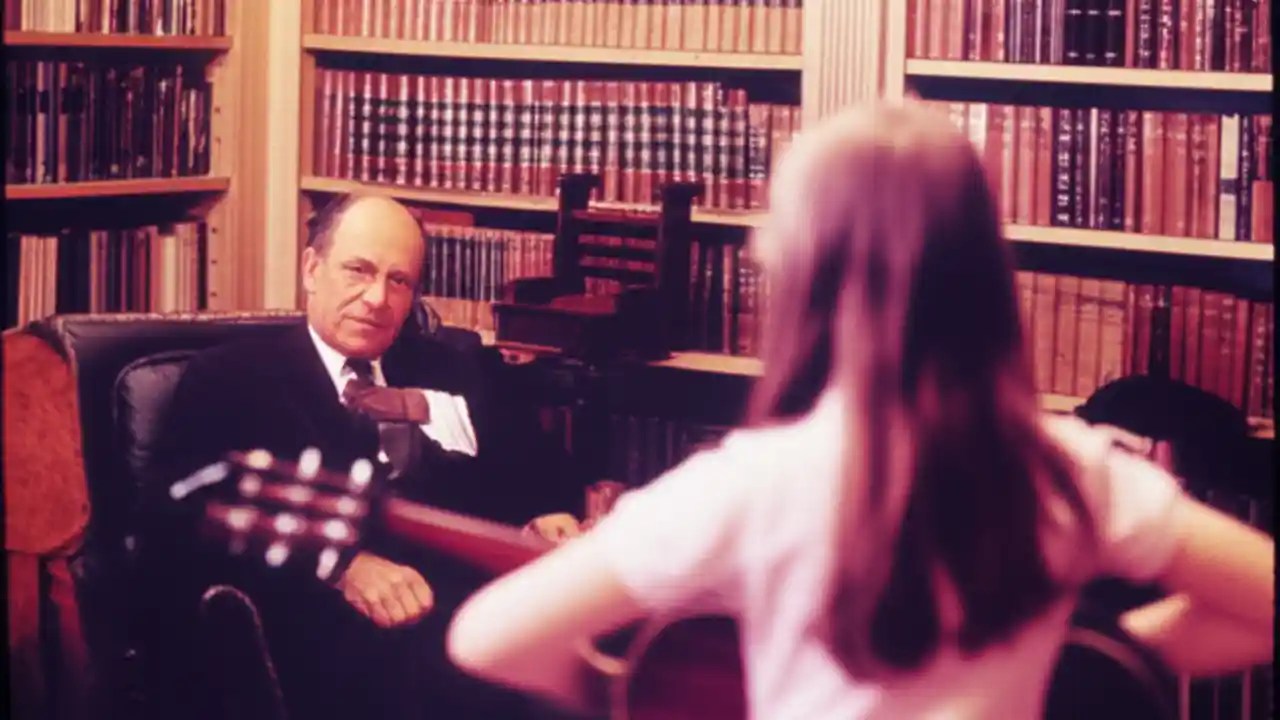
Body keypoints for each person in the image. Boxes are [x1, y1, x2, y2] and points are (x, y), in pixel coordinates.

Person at [444, 102, 1275, 718]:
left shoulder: (752, 484)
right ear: (984, 270)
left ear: (801, 274)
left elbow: (485, 638)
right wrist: (1084, 662)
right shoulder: (1065, 471)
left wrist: (618, 693)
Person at [140, 193, 584, 720]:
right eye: (359, 270)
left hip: (473, 618)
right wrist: (338, 564)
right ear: (312, 268)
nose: (377, 298)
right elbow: (185, 516)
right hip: (329, 637)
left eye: (398, 281)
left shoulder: (455, 368)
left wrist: (550, 510)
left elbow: (538, 465)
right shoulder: (231, 378)